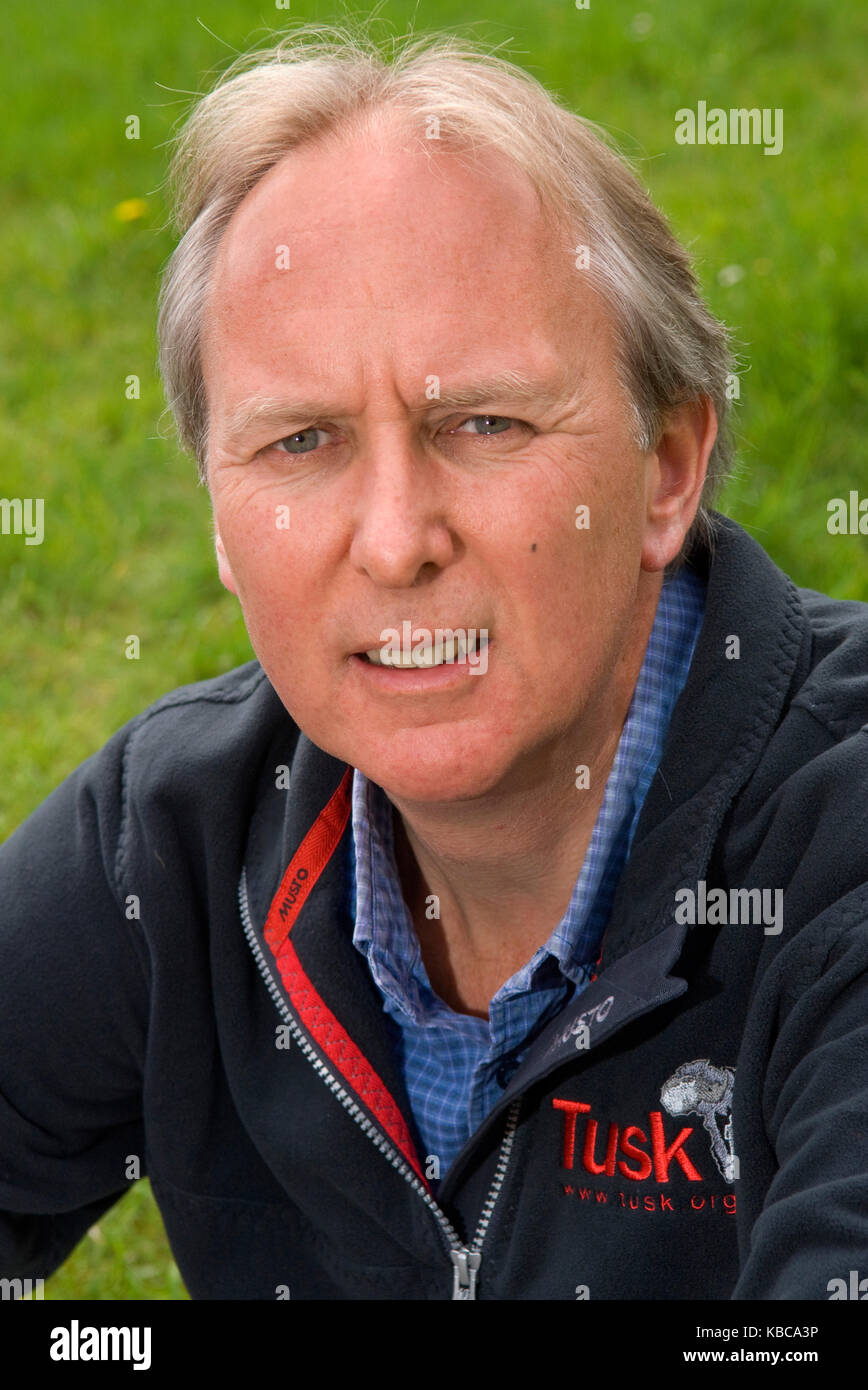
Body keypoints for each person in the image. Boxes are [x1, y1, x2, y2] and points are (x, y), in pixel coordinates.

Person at [2, 23, 867, 1302]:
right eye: (301, 441)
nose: (397, 539)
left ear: (666, 467)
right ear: (218, 521)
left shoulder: (836, 853)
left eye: (484, 421)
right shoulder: (171, 845)